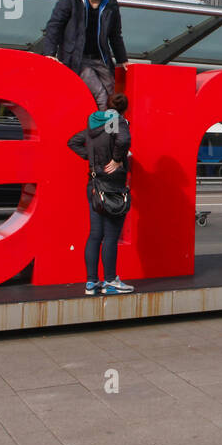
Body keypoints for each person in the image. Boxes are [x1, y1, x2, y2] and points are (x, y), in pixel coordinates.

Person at [68, 92, 133, 296]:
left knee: (95, 234)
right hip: (112, 186)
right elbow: (123, 141)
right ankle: (111, 281)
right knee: (111, 236)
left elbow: (73, 142)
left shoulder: (95, 124)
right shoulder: (117, 122)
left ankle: (91, 283)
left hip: (94, 184)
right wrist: (116, 160)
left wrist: (93, 159)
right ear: (124, 109)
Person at [42, 0, 128, 109]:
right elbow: (55, 25)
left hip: (100, 58)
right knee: (100, 95)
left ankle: (108, 128)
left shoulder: (111, 3)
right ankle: (104, 130)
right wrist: (49, 53)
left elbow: (115, 34)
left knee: (112, 95)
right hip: (77, 58)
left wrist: (122, 59)